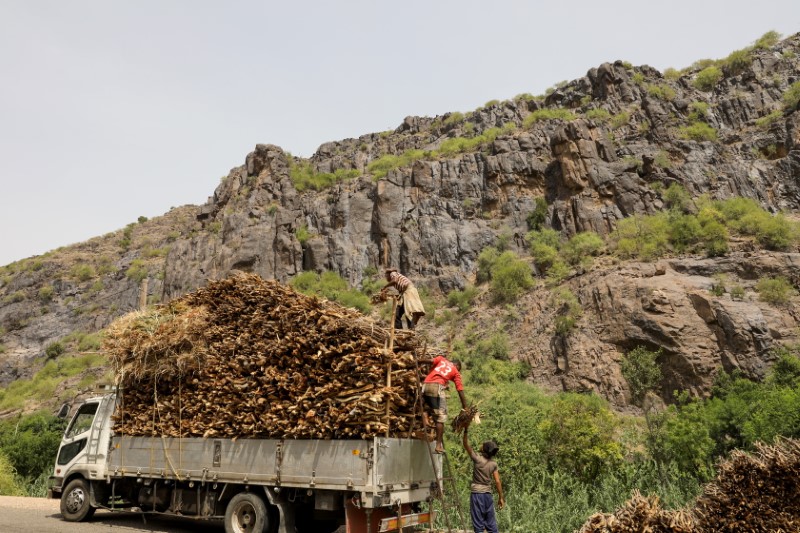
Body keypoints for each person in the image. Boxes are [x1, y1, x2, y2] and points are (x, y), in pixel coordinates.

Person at [421, 354, 466, 453]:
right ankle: (438, 446)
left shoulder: (441, 359)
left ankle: (425, 416)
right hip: (436, 388)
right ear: (457, 366)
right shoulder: (455, 371)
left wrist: (419, 360)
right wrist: (465, 406)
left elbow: (430, 361)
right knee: (441, 418)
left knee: (429, 405)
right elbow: (460, 390)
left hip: (425, 385)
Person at [463, 427, 505, 533]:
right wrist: (501, 498)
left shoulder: (477, 459)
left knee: (478, 524)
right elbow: (498, 482)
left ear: (485, 449)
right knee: (491, 523)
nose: (481, 446)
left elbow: (466, 444)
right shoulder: (493, 464)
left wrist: (466, 430)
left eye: (483, 445)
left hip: (477, 494)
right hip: (488, 495)